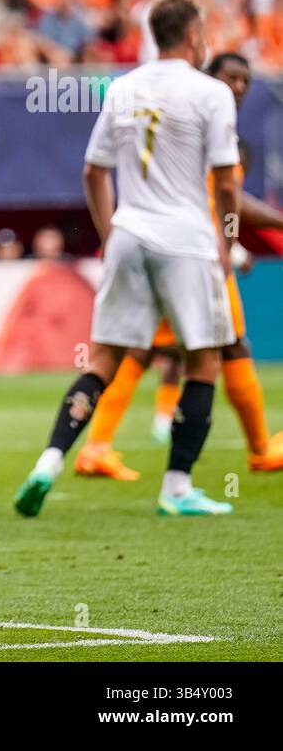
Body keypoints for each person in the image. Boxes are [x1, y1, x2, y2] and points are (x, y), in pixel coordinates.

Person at [14, 0, 242, 518]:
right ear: (192, 36)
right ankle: (177, 487)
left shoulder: (123, 87)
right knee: (204, 361)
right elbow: (227, 184)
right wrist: (225, 244)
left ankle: (49, 461)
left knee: (102, 364)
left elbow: (93, 171)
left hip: (129, 235)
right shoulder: (211, 92)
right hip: (185, 239)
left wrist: (110, 232)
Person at [74, 51, 283, 478]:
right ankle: (259, 448)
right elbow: (225, 198)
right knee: (226, 345)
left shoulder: (204, 117)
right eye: (231, 77)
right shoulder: (205, 118)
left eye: (245, 80)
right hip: (191, 253)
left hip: (169, 247)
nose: (238, 87)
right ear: (210, 76)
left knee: (142, 349)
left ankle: (95, 446)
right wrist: (234, 245)